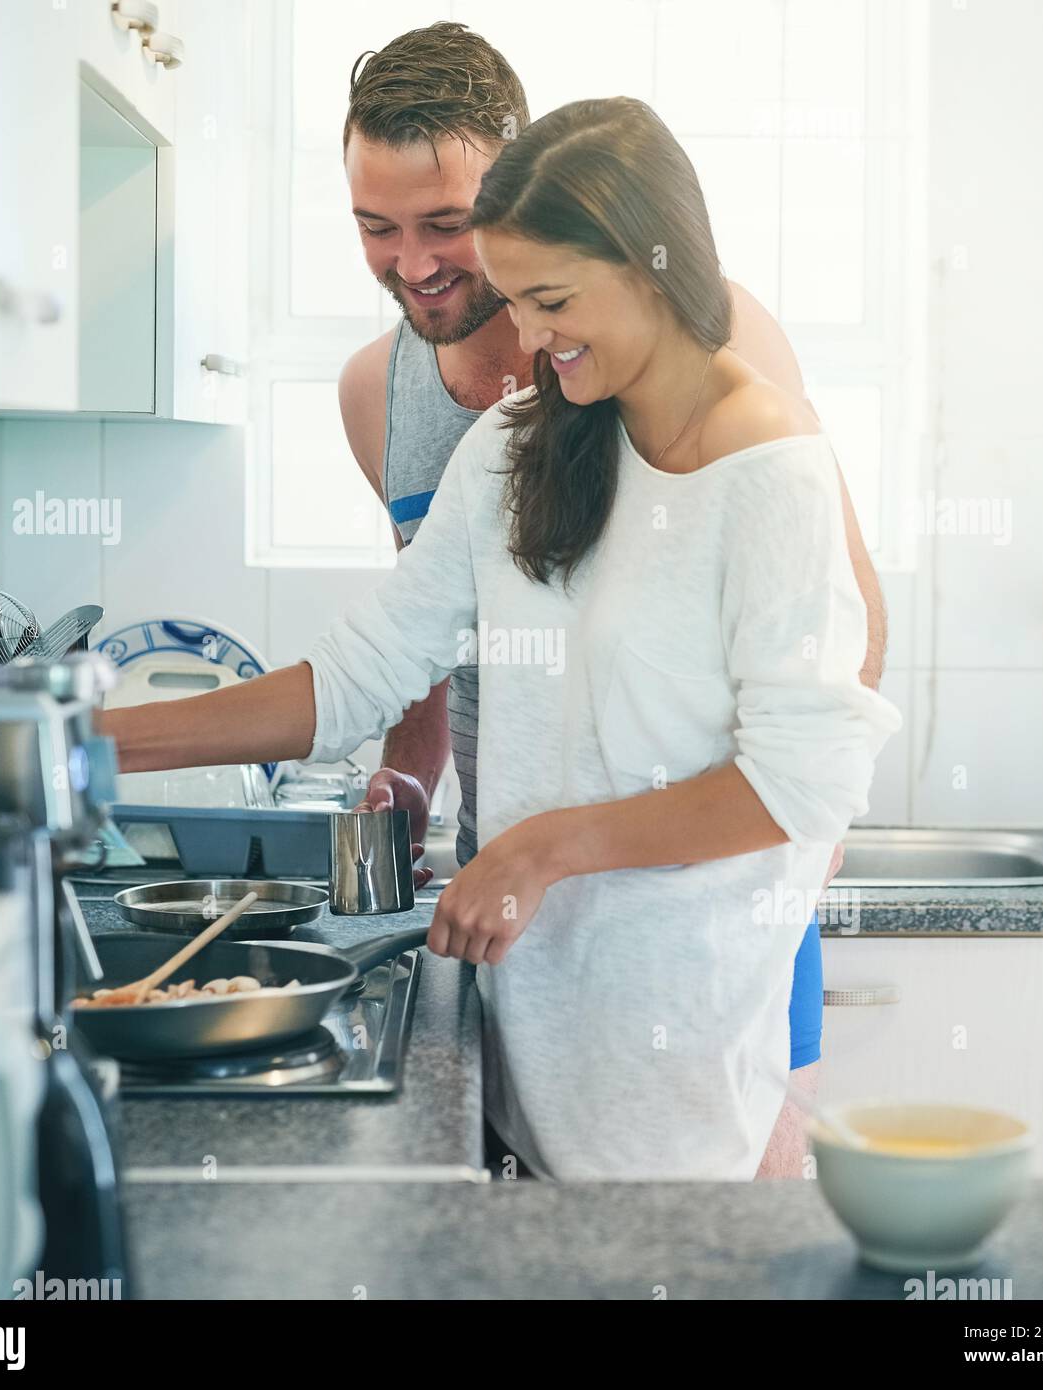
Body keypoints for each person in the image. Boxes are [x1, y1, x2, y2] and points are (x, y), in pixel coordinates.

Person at [99, 94, 903, 1181]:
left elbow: (803, 785)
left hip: (684, 1048)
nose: (526, 338)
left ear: (650, 266)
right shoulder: (521, 441)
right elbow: (356, 673)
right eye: (516, 301)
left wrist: (540, 847)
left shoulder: (768, 467)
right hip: (535, 1021)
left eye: (551, 301)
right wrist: (95, 745)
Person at [334, 23, 886, 1175]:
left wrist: (767, 874)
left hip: (689, 880)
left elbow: (847, 632)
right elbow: (427, 636)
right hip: (533, 890)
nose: (418, 263)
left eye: (445, 224)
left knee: (733, 1193)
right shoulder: (377, 391)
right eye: (376, 229)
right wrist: (407, 781)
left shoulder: (707, 335)